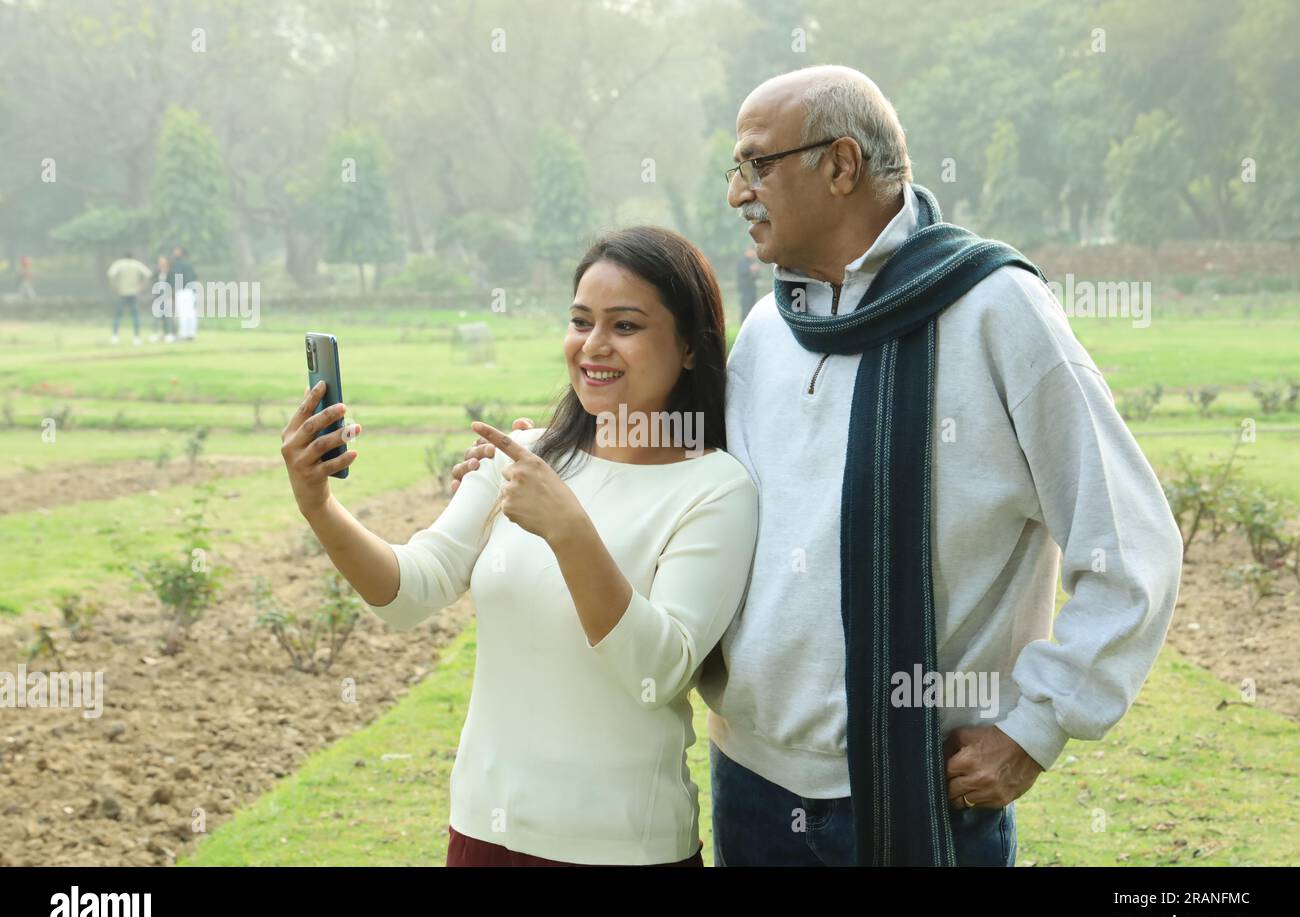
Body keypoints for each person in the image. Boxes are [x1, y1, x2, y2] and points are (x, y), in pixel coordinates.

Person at [454, 65, 1184, 867]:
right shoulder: (773, 329)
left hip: (922, 788)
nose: (738, 193)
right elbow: (681, 468)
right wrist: (547, 457)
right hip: (752, 787)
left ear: (841, 166)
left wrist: (1036, 727)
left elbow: (1130, 543)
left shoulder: (994, 310)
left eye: (756, 164)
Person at [281, 226, 758, 866]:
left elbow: (658, 673)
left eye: (625, 326)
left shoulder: (716, 488)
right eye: (581, 321)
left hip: (622, 848)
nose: (593, 345)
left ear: (692, 347)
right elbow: (411, 590)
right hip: (483, 832)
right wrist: (318, 504)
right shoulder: (521, 456)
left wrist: (570, 532)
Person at [106, 252, 153, 345]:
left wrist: (114, 285)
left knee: (118, 315)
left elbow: (110, 274)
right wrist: (142, 286)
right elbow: (148, 274)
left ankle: (115, 336)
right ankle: (136, 337)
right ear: (132, 257)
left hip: (122, 292)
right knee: (135, 316)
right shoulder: (136, 264)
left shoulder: (119, 264)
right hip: (134, 293)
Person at [170, 246, 198, 341]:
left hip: (182, 291)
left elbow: (174, 278)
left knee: (183, 313)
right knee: (191, 313)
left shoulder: (177, 265)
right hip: (191, 291)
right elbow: (195, 277)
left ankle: (183, 334)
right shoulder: (189, 264)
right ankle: (191, 334)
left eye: (176, 252)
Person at [150, 254, 173, 342]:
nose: (162, 264)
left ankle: (168, 334)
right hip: (158, 298)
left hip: (167, 297)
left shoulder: (170, 272)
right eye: (160, 263)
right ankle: (155, 334)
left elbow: (172, 284)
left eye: (163, 263)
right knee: (156, 316)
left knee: (168, 317)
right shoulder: (157, 272)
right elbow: (152, 279)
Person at [735, 246, 759, 324]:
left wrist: (755, 272)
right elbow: (741, 271)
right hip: (745, 289)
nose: (752, 253)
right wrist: (750, 269)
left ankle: (752, 324)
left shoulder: (752, 262)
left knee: (752, 307)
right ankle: (743, 324)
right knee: (745, 308)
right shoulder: (741, 261)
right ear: (746, 251)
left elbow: (756, 276)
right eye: (750, 251)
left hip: (752, 289)